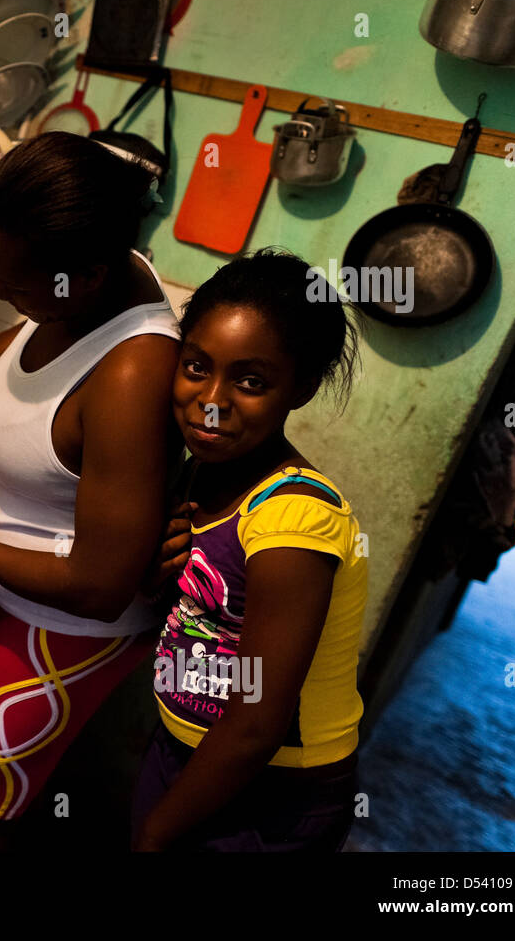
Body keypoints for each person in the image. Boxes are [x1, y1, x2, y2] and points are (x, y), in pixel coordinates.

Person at [0, 131, 182, 850]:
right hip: (17, 602)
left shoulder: (133, 377)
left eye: (14, 285)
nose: (3, 297)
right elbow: (34, 339)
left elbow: (99, 587)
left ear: (84, 278)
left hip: (62, 632)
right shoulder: (106, 274)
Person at [132, 248, 367, 852]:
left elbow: (257, 723)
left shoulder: (294, 518)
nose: (212, 400)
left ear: (302, 388)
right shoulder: (199, 473)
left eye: (251, 381)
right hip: (184, 752)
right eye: (195, 367)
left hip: (275, 794)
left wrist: (156, 834)